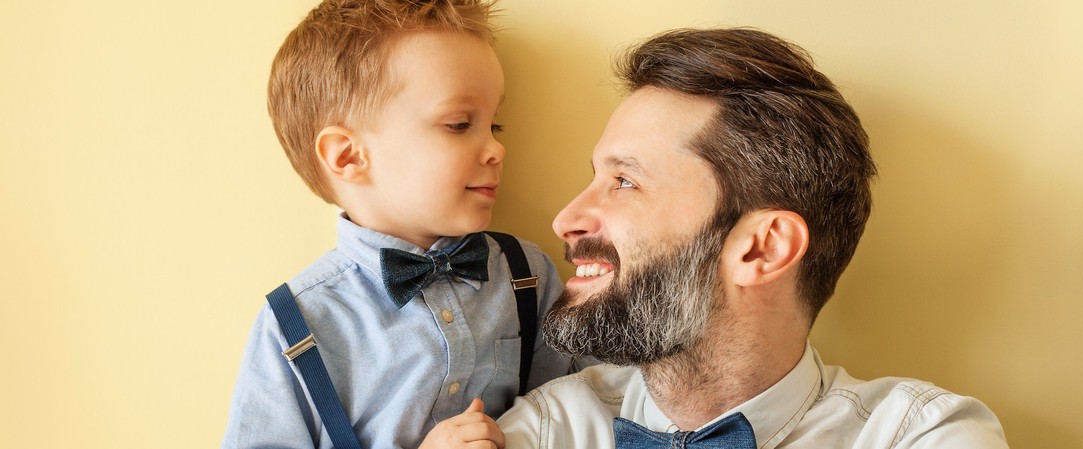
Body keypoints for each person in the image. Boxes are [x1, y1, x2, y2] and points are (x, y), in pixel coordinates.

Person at [498, 27, 1010, 448]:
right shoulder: (549, 428)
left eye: (625, 182)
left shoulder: (920, 435)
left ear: (763, 248)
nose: (566, 219)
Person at [222, 1, 575, 448]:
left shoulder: (528, 275)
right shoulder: (298, 323)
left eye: (495, 125)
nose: (496, 150)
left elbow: (583, 417)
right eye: (459, 124)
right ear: (348, 156)